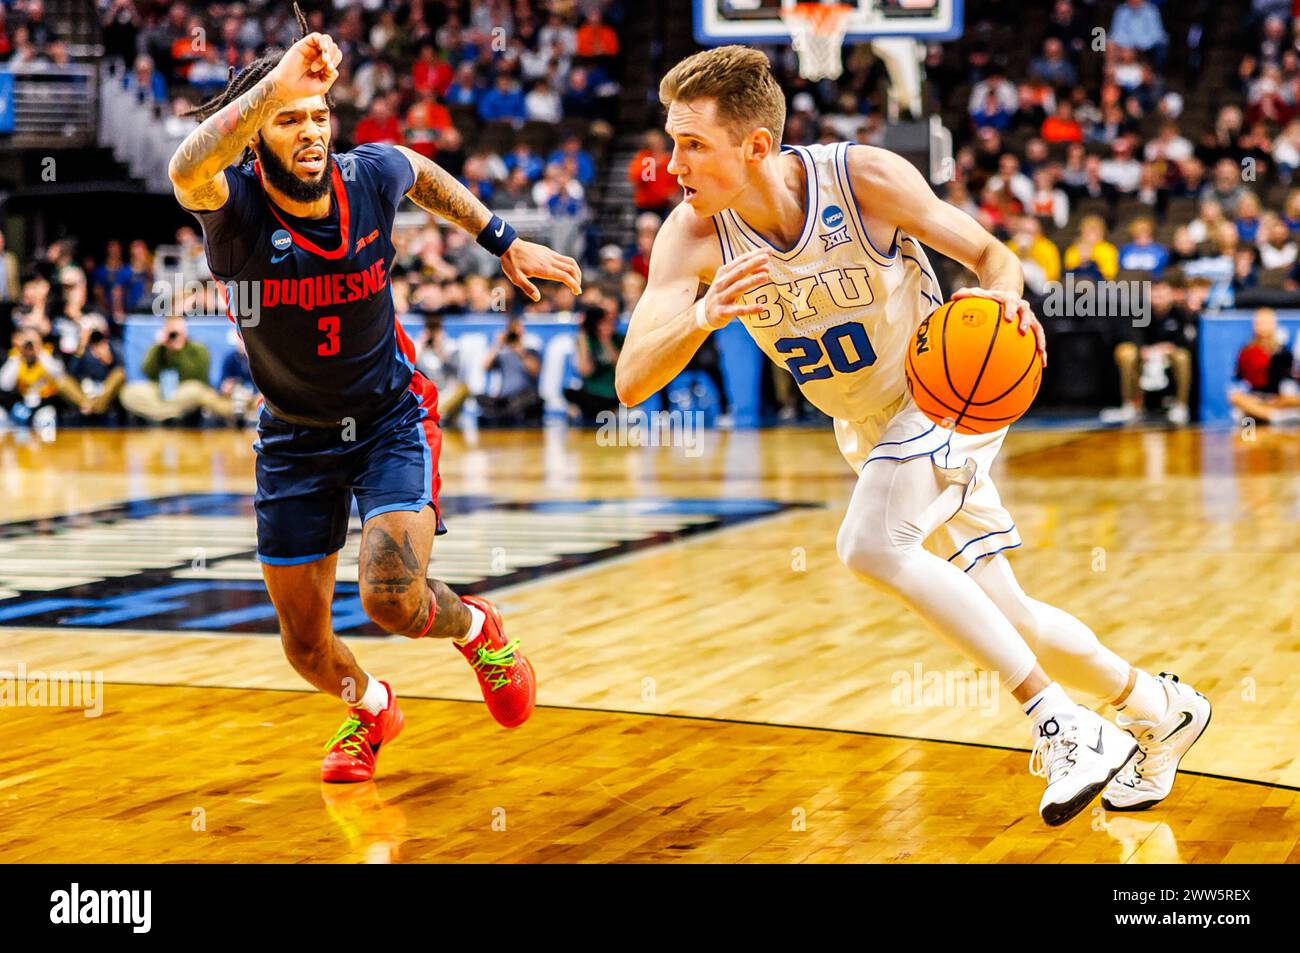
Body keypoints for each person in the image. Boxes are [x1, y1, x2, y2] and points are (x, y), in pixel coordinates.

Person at [617, 46, 1210, 825]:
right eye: (673, 142)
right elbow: (631, 380)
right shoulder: (691, 237)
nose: (672, 164)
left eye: (692, 144)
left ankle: (1064, 726)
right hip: (865, 426)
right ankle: (1160, 706)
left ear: (755, 145)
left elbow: (993, 256)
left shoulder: (861, 178)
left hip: (945, 390)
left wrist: (1005, 300)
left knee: (868, 543)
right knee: (1010, 618)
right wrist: (701, 315)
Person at [168, 10, 581, 782]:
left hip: (389, 415)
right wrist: (273, 86)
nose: (311, 130)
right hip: (293, 435)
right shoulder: (234, 210)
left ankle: (478, 628)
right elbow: (185, 167)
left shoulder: (368, 176)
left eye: (318, 115)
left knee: (392, 597)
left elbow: (421, 172)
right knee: (305, 648)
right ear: (255, 135)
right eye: (289, 118)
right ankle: (371, 708)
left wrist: (502, 239)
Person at [120, 316, 234, 424]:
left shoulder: (198, 349)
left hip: (183, 391)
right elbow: (147, 371)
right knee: (129, 392)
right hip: (160, 391)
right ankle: (167, 415)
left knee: (195, 390)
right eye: (172, 332)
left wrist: (178, 352)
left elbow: (199, 376)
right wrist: (158, 347)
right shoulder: (159, 348)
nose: (175, 336)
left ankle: (161, 415)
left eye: (178, 332)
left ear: (185, 331)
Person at [1228, 308, 1300, 423]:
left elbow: (1288, 381)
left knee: (1294, 399)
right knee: (1236, 398)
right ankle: (1273, 416)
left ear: (1274, 325)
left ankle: (1261, 413)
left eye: (1267, 323)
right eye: (1260, 323)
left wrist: (1282, 396)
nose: (1263, 327)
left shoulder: (1283, 351)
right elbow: (1239, 379)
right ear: (1254, 325)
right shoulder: (1246, 350)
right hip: (1255, 397)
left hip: (1278, 398)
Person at [478, 316, 542, 425]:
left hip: (523, 398)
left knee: (532, 397)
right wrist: (497, 345)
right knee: (481, 398)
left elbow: (535, 371)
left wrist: (521, 350)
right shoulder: (503, 354)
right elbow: (486, 367)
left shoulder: (530, 352)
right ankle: (504, 411)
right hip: (505, 399)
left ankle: (508, 411)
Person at [565, 303, 623, 423]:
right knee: (569, 393)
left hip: (613, 393)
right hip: (591, 392)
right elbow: (586, 370)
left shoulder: (619, 339)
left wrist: (606, 341)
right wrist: (583, 337)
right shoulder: (586, 340)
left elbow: (621, 368)